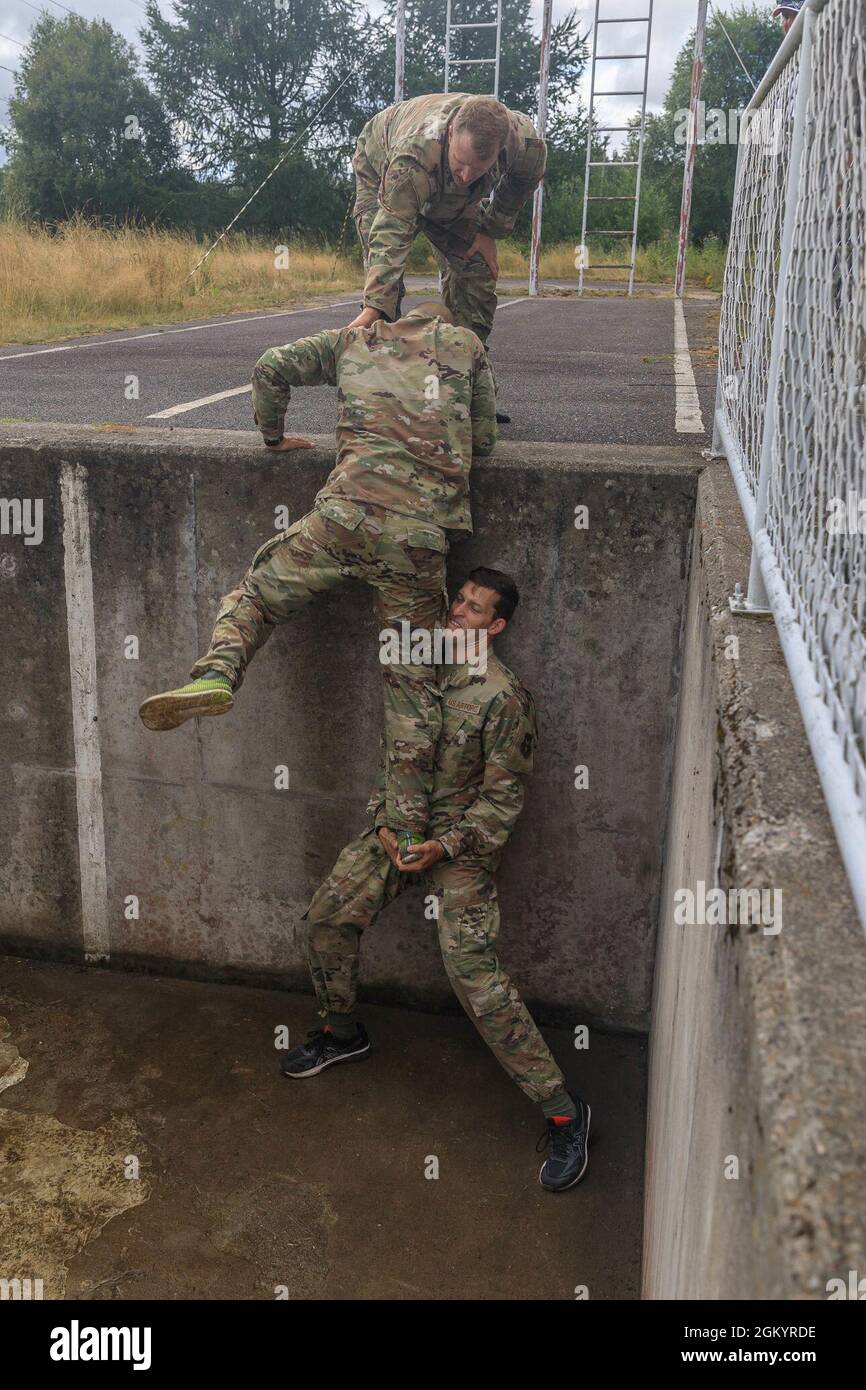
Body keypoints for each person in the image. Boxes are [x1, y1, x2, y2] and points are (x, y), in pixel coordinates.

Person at [138, 301, 496, 864]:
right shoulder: (466, 347)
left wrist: (274, 438)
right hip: (418, 543)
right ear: (444, 325)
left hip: (343, 520)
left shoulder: (353, 341)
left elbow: (269, 366)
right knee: (412, 687)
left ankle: (215, 673)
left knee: (257, 593)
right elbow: (486, 442)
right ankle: (404, 831)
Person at [281, 568, 591, 1193]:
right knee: (324, 920)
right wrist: (387, 823)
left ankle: (565, 1112)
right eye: (458, 602)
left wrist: (444, 845)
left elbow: (503, 803)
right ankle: (343, 1034)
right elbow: (396, 754)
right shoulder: (418, 666)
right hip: (398, 831)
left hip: (460, 848)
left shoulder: (504, 698)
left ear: (497, 626)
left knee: (472, 974)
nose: (458, 614)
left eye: (474, 611)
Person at [349, 93, 547, 422]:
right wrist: (374, 304)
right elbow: (391, 232)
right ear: (452, 132)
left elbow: (522, 184)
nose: (467, 175)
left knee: (477, 273)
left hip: (455, 204)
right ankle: (381, 394)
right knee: (385, 291)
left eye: (478, 168)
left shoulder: (525, 144)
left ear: (500, 150)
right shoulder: (413, 156)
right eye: (461, 162)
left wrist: (491, 229)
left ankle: (465, 389)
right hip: (383, 171)